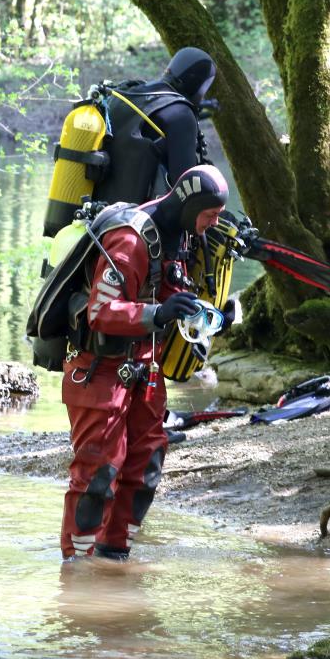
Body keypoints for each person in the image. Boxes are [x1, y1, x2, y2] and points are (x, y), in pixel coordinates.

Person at [61, 165, 231, 561]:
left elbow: (164, 286)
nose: (214, 223)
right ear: (190, 205)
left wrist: (194, 309)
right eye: (211, 214)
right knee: (98, 471)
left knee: (147, 463)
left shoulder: (180, 233)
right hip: (100, 369)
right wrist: (159, 312)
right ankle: (78, 573)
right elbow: (101, 311)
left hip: (144, 369)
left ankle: (114, 555)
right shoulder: (129, 240)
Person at [105, 47, 218, 197]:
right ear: (199, 85)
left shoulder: (128, 94)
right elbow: (187, 188)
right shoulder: (181, 114)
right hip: (138, 216)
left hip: (93, 207)